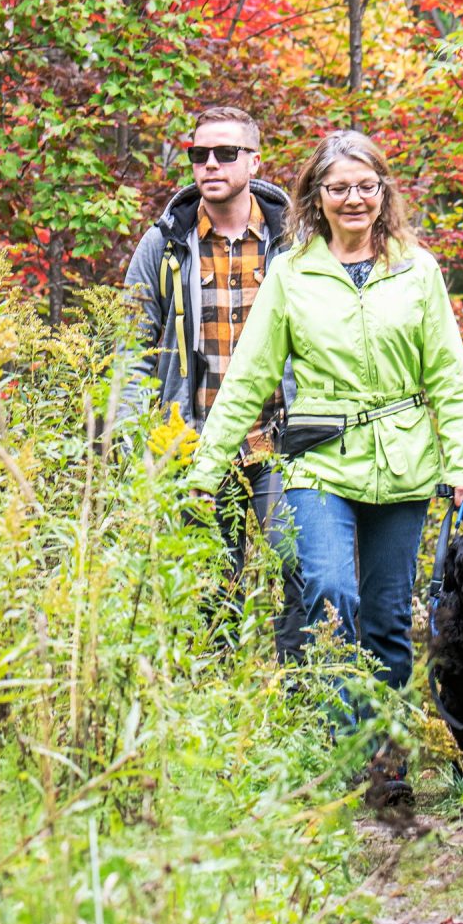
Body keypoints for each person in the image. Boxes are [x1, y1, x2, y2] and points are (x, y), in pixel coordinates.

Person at [187, 128, 463, 805]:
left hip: (404, 464)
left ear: (384, 194)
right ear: (315, 199)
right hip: (319, 464)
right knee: (328, 591)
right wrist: (206, 470)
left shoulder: (419, 271)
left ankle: (385, 763)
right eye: (339, 188)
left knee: (384, 618)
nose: (354, 199)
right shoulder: (292, 273)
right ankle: (344, 754)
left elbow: (449, 378)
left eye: (366, 186)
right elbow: (247, 377)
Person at [118, 104, 306, 659]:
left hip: (281, 444)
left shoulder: (295, 244)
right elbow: (131, 348)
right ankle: (213, 702)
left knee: (304, 572)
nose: (211, 165)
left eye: (226, 153)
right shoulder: (164, 245)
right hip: (195, 446)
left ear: (254, 160)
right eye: (200, 154)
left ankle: (295, 699)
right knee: (206, 590)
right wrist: (134, 441)